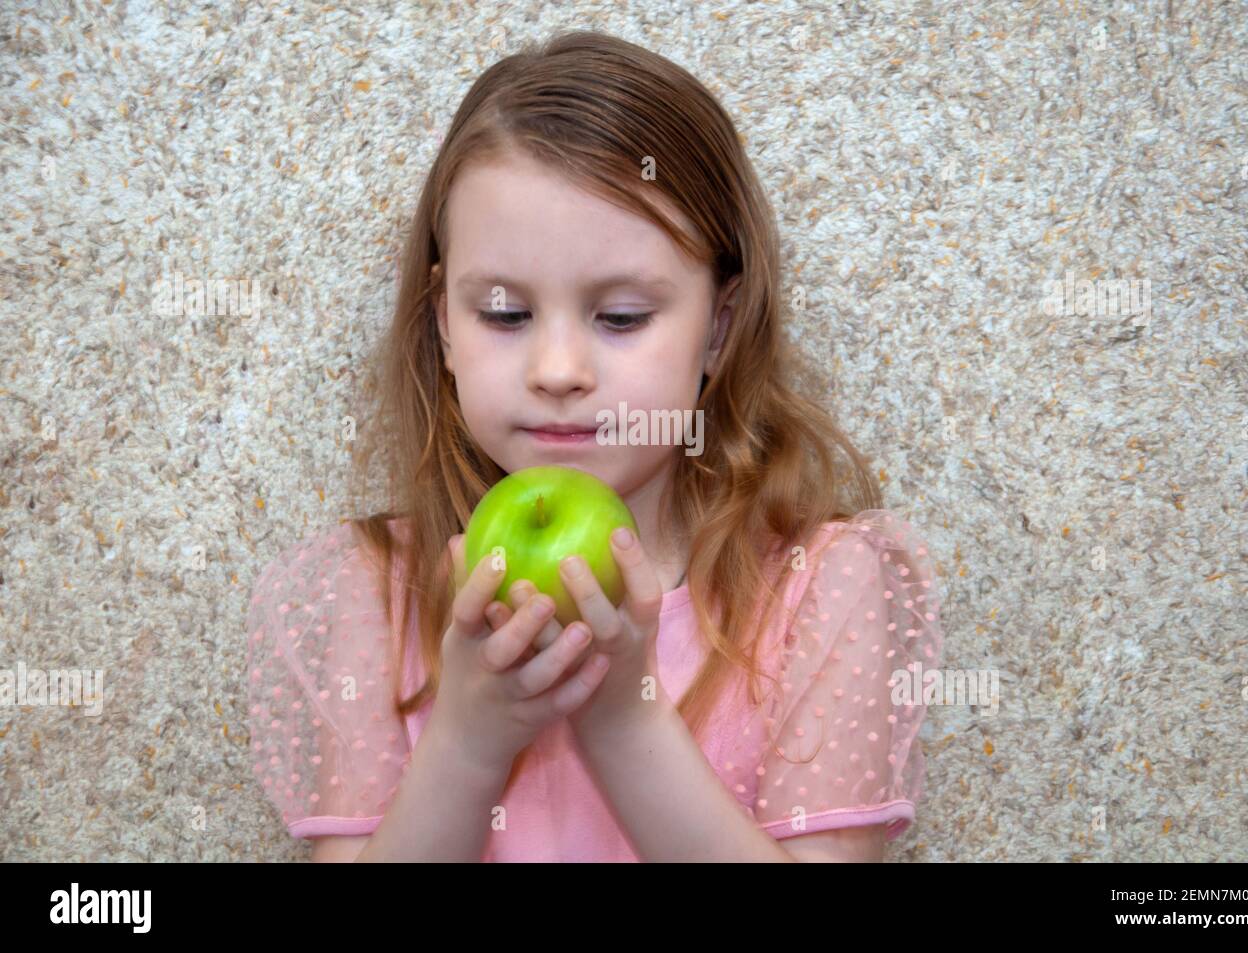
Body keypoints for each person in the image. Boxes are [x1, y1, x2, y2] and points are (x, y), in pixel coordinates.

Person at [245, 29, 943, 862]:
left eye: (620, 317)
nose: (559, 369)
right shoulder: (383, 589)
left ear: (718, 328)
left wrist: (625, 719)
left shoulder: (818, 586)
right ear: (441, 325)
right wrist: (467, 743)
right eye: (505, 314)